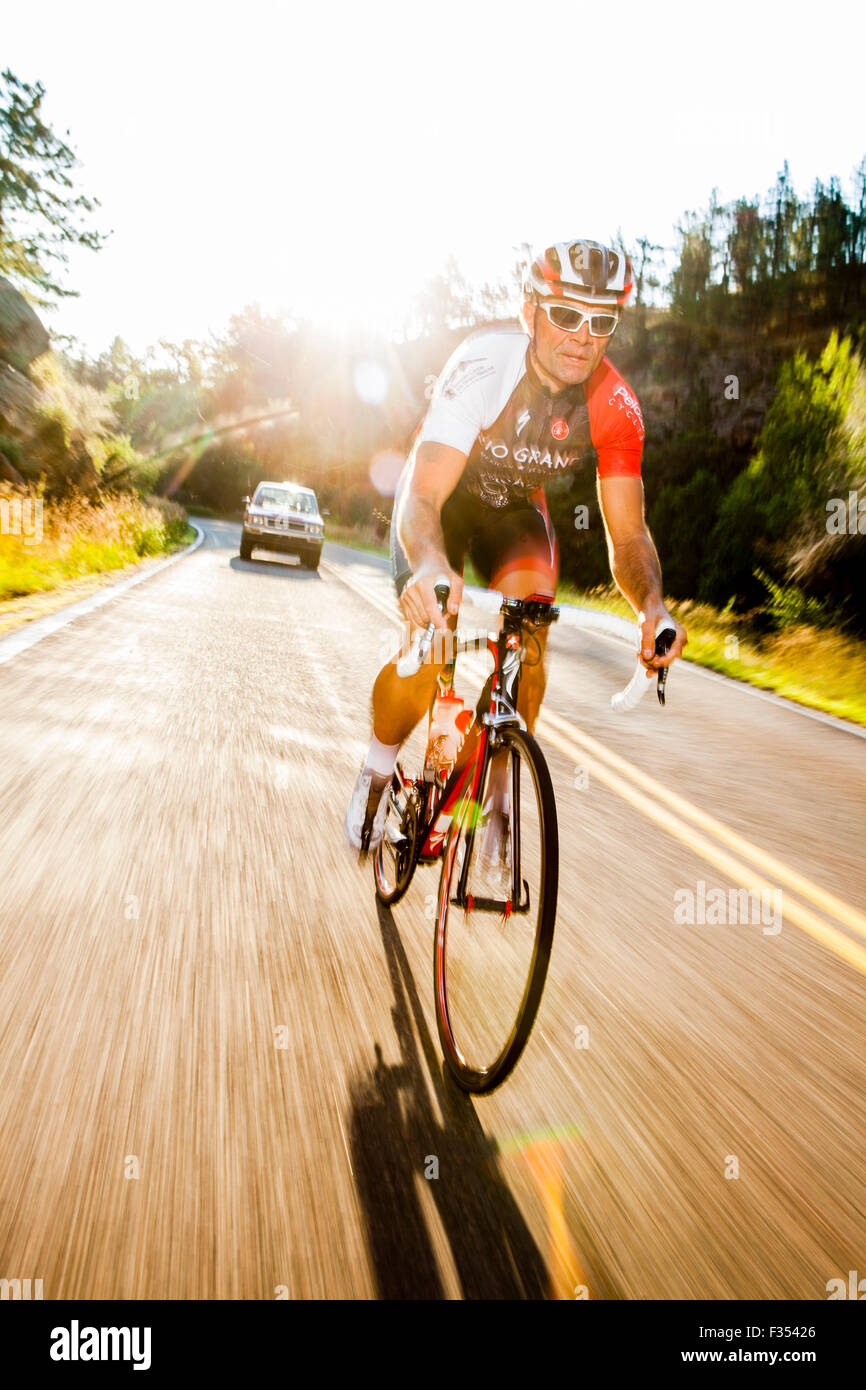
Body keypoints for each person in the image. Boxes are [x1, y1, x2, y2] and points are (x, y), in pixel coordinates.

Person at [345, 237, 687, 850]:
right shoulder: (484, 366)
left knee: (530, 635)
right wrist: (428, 564)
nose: (583, 336)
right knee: (432, 638)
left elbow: (629, 532)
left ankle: (500, 772)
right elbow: (422, 496)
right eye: (566, 315)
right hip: (441, 503)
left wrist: (651, 606)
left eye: (601, 321)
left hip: (514, 511)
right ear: (530, 311)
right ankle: (376, 765)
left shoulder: (615, 407)